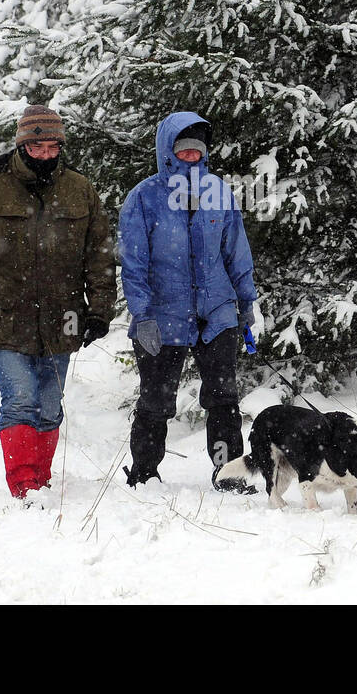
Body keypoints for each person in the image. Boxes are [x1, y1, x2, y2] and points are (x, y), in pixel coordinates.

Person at [0, 105, 116, 499]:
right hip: (2, 317)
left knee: (50, 405)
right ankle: (24, 485)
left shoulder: (79, 189)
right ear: (21, 146)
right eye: (38, 148)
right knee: (20, 399)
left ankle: (41, 478)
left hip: (63, 318)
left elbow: (99, 255)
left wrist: (100, 310)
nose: (47, 155)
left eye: (53, 147)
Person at [118, 111, 258, 492]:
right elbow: (133, 264)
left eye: (197, 151)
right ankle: (145, 473)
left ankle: (228, 473)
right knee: (156, 401)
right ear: (167, 152)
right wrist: (143, 315)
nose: (191, 157)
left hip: (216, 314)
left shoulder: (219, 193)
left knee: (223, 397)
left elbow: (236, 253)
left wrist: (246, 303)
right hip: (163, 317)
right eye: (183, 150)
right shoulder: (144, 198)